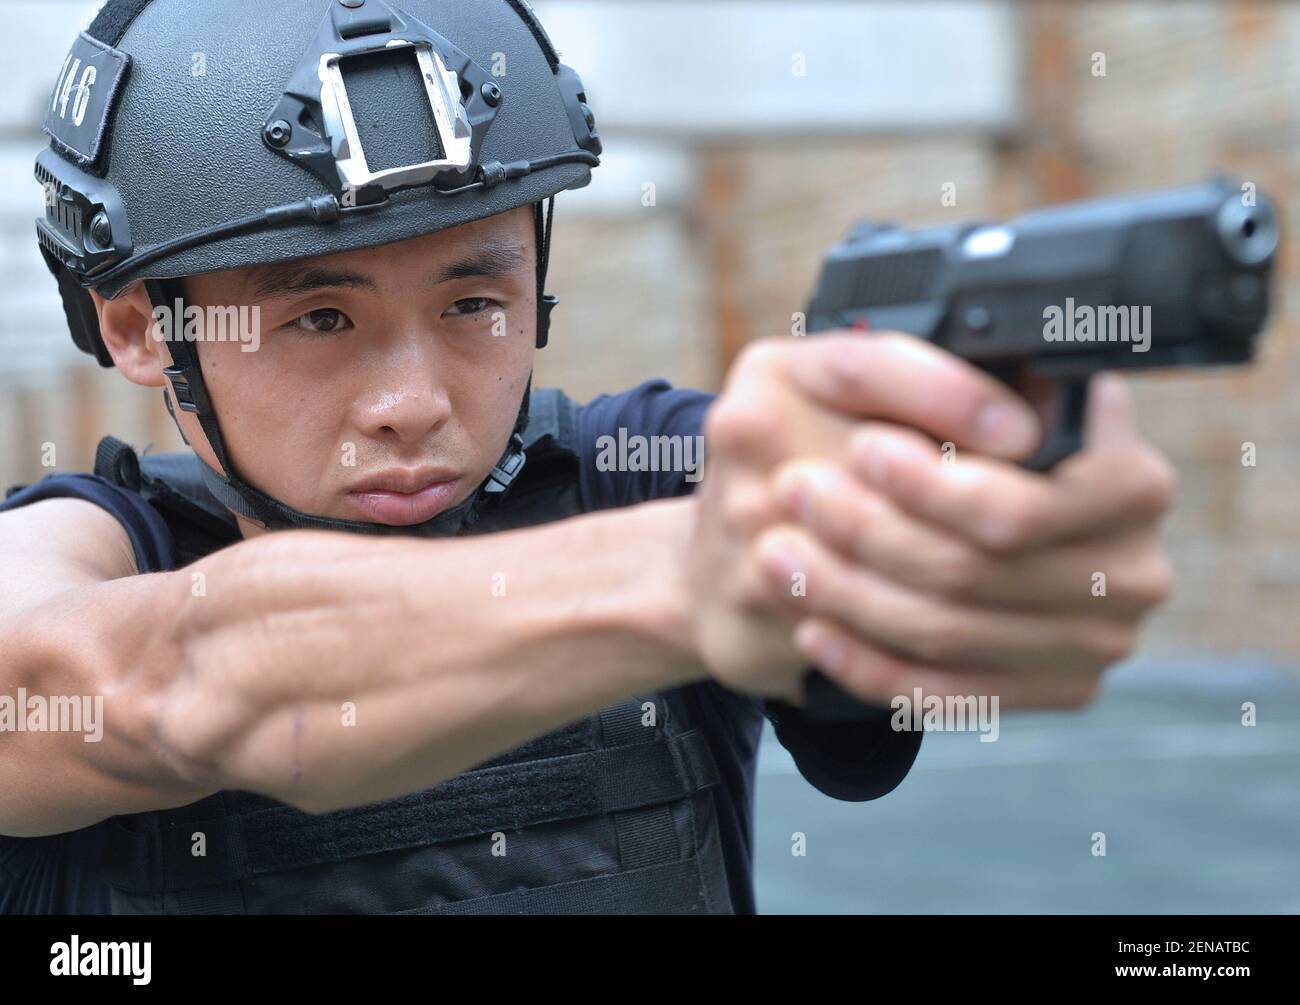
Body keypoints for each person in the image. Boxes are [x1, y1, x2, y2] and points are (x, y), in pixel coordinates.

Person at [0, 0, 1175, 914]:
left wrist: (969, 490)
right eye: (320, 319)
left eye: (472, 300)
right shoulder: (78, 555)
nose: (414, 404)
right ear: (142, 328)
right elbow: (155, 689)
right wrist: (715, 572)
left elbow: (835, 503)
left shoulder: (643, 470)